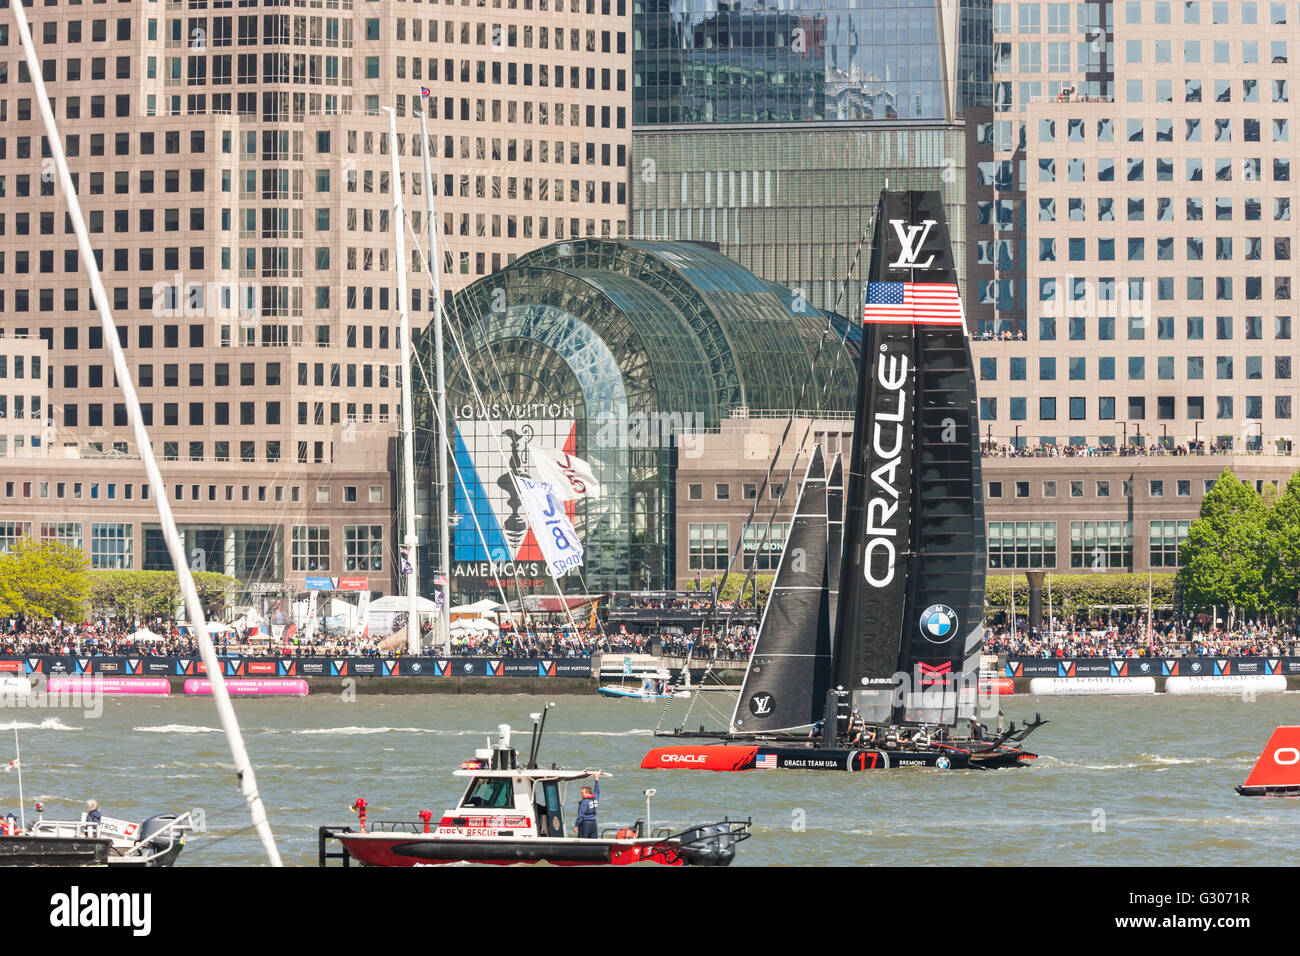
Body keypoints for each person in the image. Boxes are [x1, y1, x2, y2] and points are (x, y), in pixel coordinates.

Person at [574, 772, 604, 839]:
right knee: (593, 841)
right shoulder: (595, 798)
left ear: (587, 793)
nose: (581, 795)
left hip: (585, 824)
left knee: (582, 841)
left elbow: (580, 816)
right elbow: (597, 789)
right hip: (594, 824)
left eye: (582, 793)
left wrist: (576, 826)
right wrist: (596, 778)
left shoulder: (584, 802)